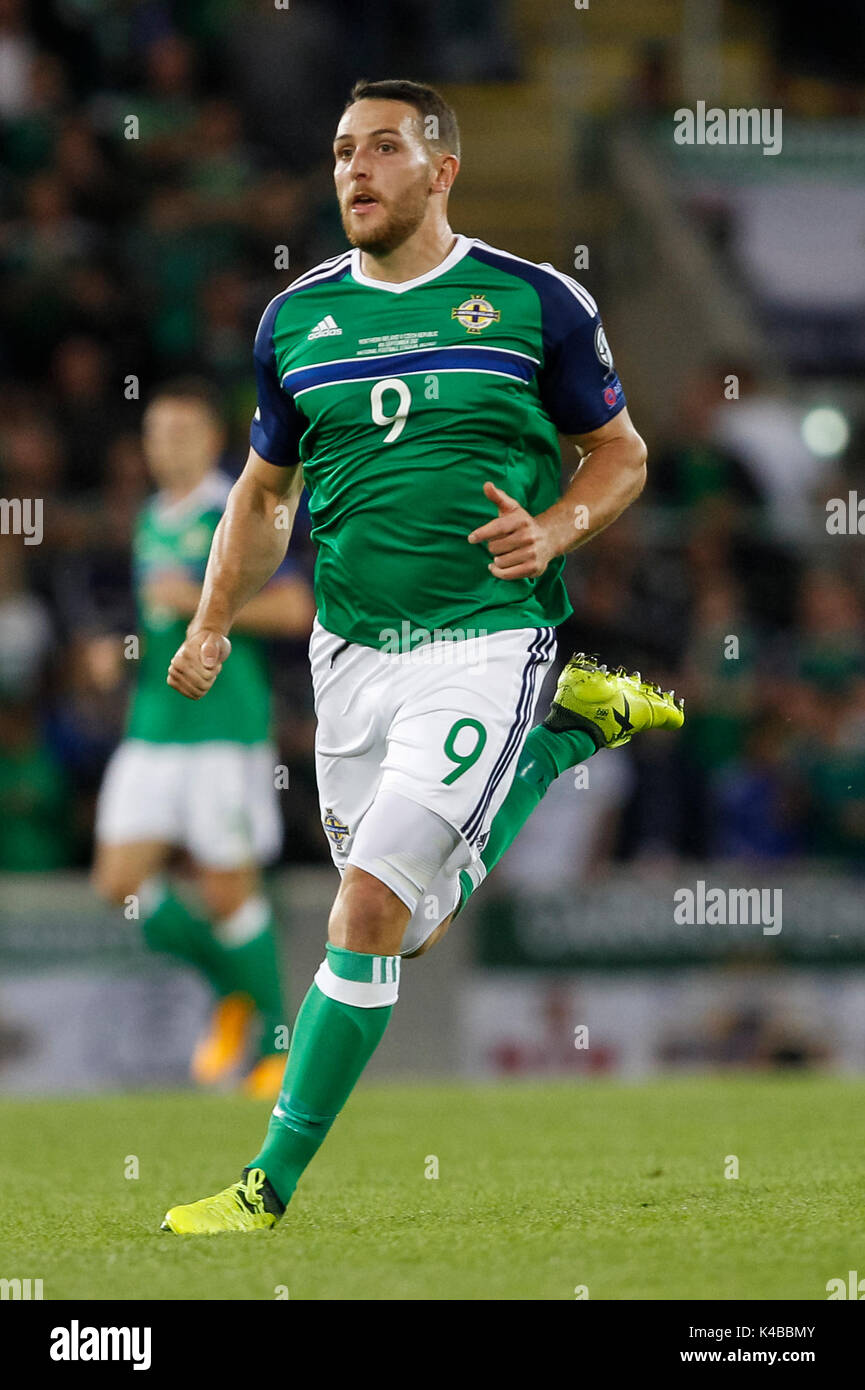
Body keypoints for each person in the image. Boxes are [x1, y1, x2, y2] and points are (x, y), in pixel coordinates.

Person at [159, 80, 683, 1233]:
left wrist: (555, 529)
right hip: (351, 657)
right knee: (413, 921)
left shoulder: (532, 301)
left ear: (441, 170)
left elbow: (620, 454)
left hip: (483, 644)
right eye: (341, 150)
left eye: (383, 148)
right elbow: (262, 494)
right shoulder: (293, 321)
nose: (355, 169)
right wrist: (209, 620)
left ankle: (266, 1187)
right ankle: (568, 737)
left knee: (364, 907)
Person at [92, 377, 315, 1097]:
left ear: (215, 441)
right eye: (155, 433)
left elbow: (292, 609)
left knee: (228, 894)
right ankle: (237, 992)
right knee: (121, 885)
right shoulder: (152, 516)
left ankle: (278, 1043)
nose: (166, 446)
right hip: (152, 728)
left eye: (181, 433)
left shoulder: (238, 508)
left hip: (224, 730)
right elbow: (157, 628)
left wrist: (196, 601)